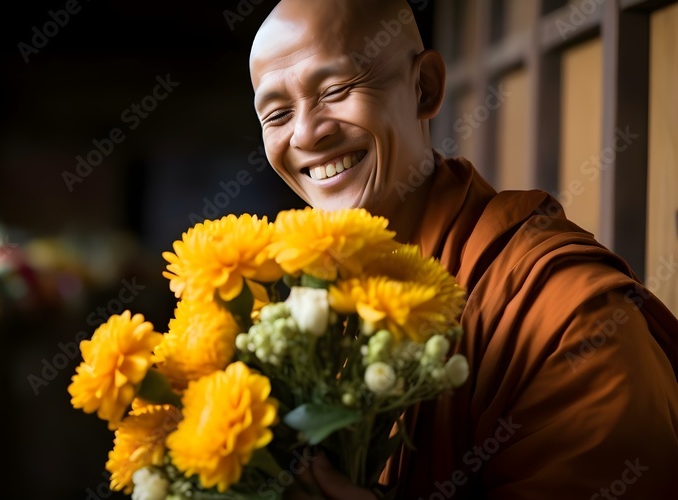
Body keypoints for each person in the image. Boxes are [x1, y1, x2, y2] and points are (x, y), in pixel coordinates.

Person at [248, 0, 678, 498]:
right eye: (277, 113)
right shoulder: (296, 309)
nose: (307, 133)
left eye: (337, 89)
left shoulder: (564, 313)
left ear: (424, 87)